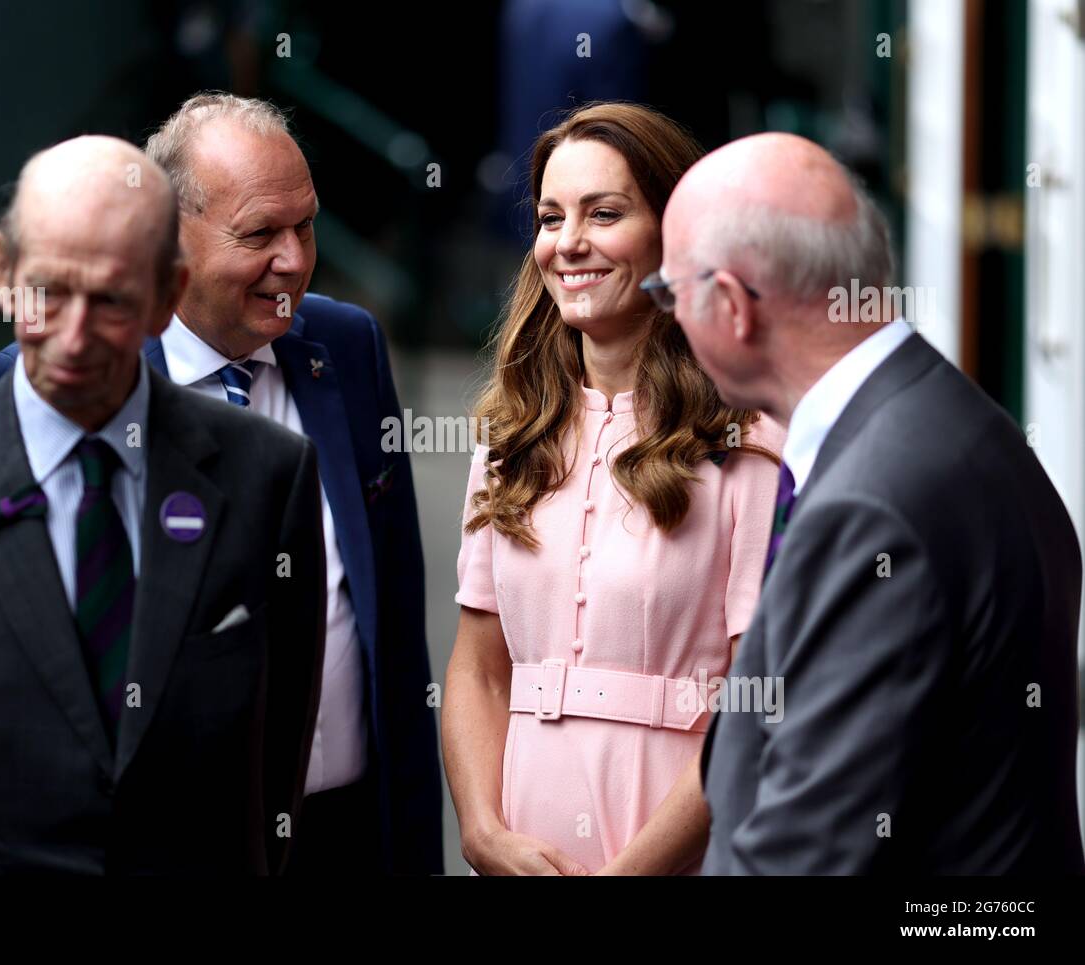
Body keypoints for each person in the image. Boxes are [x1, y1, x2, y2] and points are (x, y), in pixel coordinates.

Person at [0, 135, 327, 875]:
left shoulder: (268, 476)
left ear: (165, 296)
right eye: (48, 291)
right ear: (0, 268)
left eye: (112, 298)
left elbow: (277, 755)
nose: (75, 337)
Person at [0, 93, 443, 875]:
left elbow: (394, 625)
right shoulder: (53, 380)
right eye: (259, 233)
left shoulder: (344, 347)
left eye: (305, 225)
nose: (293, 259)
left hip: (345, 834)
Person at [659, 131, 1085, 874]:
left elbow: (803, 855)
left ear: (730, 304)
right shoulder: (959, 423)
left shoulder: (871, 504)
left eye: (668, 292)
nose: (667, 318)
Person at [443, 103, 783, 875]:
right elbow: (478, 666)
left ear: (676, 233)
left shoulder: (749, 442)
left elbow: (755, 695)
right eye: (550, 216)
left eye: (605, 214)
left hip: (677, 847)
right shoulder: (510, 433)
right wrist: (482, 833)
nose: (569, 243)